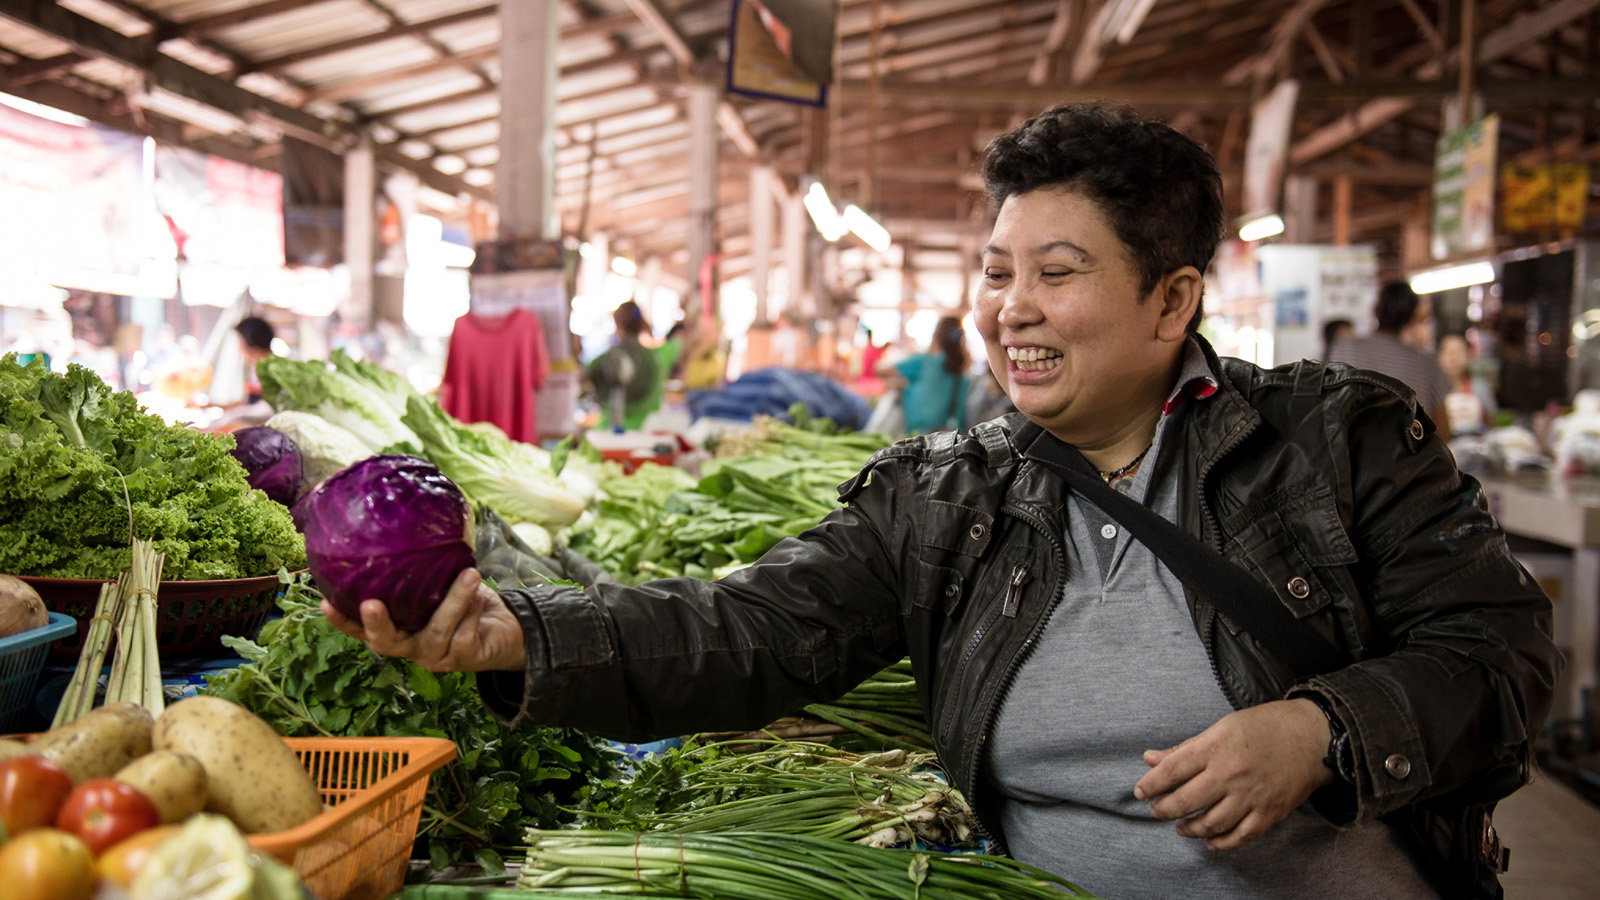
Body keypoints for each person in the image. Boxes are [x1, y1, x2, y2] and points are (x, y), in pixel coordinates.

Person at [325, 103, 1559, 900]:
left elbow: (1497, 656)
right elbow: (755, 626)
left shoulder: (1339, 439)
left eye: (1057, 274)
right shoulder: (948, 492)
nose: (1010, 308)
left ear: (1172, 300)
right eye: (997, 270)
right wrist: (519, 637)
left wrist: (1323, 730)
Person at [1326, 283, 1452, 433]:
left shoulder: (1344, 347)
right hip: (1410, 453)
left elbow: (1327, 409)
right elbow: (1442, 430)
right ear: (1413, 316)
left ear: (1376, 308)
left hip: (1349, 449)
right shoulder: (1426, 362)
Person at [878, 315, 971, 434]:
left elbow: (880, 369)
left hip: (917, 435)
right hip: (945, 438)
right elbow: (960, 416)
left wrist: (900, 382)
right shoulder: (962, 373)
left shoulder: (923, 362)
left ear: (936, 336)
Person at [587, 300, 663, 431]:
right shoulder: (655, 358)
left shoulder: (611, 356)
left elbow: (589, 371)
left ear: (618, 325)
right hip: (646, 429)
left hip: (611, 430)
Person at [1438, 333, 1497, 437]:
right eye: (1448, 352)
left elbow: (1492, 421)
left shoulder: (1480, 387)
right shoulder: (1434, 389)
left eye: (1458, 352)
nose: (1453, 358)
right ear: (1439, 356)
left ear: (1469, 355)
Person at [235, 315, 275, 404]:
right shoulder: (256, 369)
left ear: (253, 345)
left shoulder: (272, 371)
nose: (239, 349)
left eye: (240, 343)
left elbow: (265, 408)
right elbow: (248, 403)